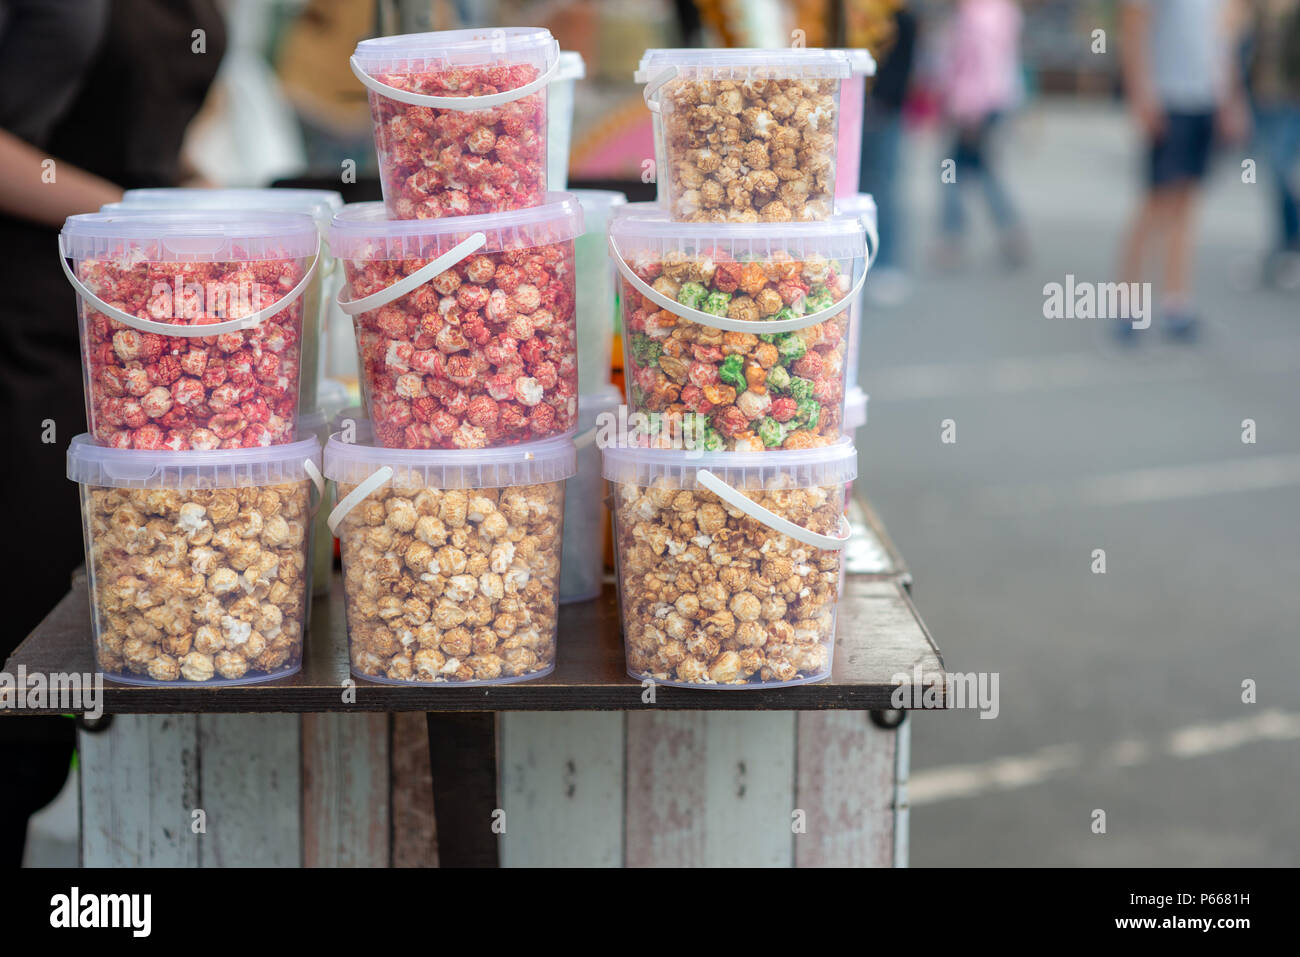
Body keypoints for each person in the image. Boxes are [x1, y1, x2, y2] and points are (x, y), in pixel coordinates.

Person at [0, 0, 225, 866]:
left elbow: (142, 139)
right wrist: (128, 214)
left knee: (111, 645)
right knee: (25, 647)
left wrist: (198, 195)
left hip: (144, 344)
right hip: (27, 329)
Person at [1118, 0, 1249, 341]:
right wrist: (1141, 95)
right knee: (1156, 205)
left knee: (1187, 205)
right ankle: (1127, 307)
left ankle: (1176, 304)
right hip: (1169, 99)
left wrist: (1231, 99)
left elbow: (1223, 41)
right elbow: (1132, 28)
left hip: (1205, 101)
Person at [934, 0, 1027, 269]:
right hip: (993, 102)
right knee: (979, 170)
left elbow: (980, 66)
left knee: (952, 171)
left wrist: (968, 109)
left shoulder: (975, 15)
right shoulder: (1003, 10)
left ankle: (953, 238)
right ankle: (1009, 232)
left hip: (972, 108)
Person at [858, 1, 918, 306]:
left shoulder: (901, 16)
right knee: (859, 189)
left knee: (883, 187)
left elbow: (903, 69)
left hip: (883, 115)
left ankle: (887, 264)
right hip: (861, 111)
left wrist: (880, 102)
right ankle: (859, 262)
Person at [1244, 0, 1300, 289]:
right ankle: (1283, 247)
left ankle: (1290, 246)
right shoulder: (1262, 8)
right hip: (1262, 101)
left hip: (1291, 102)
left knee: (1280, 172)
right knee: (1271, 175)